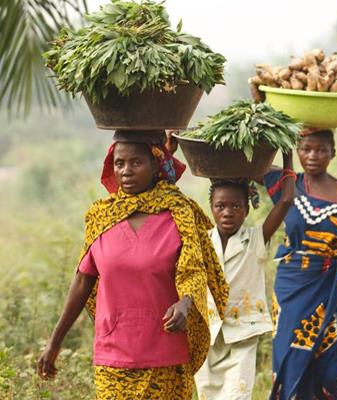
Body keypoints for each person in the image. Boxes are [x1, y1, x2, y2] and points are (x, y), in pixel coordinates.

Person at [37, 132, 229, 399]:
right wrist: (54, 343)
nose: (126, 171)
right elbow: (82, 280)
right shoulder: (101, 217)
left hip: (167, 355)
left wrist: (185, 304)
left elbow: (193, 270)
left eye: (136, 162)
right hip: (113, 356)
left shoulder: (178, 213)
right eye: (120, 163)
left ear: (155, 164)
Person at [261, 130, 337, 400]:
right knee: (288, 360)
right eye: (306, 149)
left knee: (331, 370)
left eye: (321, 150)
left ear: (332, 153)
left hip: (333, 289)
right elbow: (245, 162)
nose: (313, 156)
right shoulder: (286, 184)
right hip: (291, 288)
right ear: (297, 150)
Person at [194, 153, 295, 399]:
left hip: (242, 336)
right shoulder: (200, 241)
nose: (228, 212)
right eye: (220, 206)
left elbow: (286, 200)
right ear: (211, 208)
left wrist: (287, 155)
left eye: (236, 206)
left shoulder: (256, 239)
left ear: (247, 209)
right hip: (207, 336)